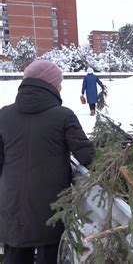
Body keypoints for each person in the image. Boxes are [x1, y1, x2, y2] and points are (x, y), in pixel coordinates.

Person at [0, 60, 95, 264]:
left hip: (13, 206)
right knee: (48, 256)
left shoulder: (4, 114)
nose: (60, 87)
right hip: (52, 208)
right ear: (51, 85)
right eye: (59, 83)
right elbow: (85, 155)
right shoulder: (63, 116)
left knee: (15, 255)